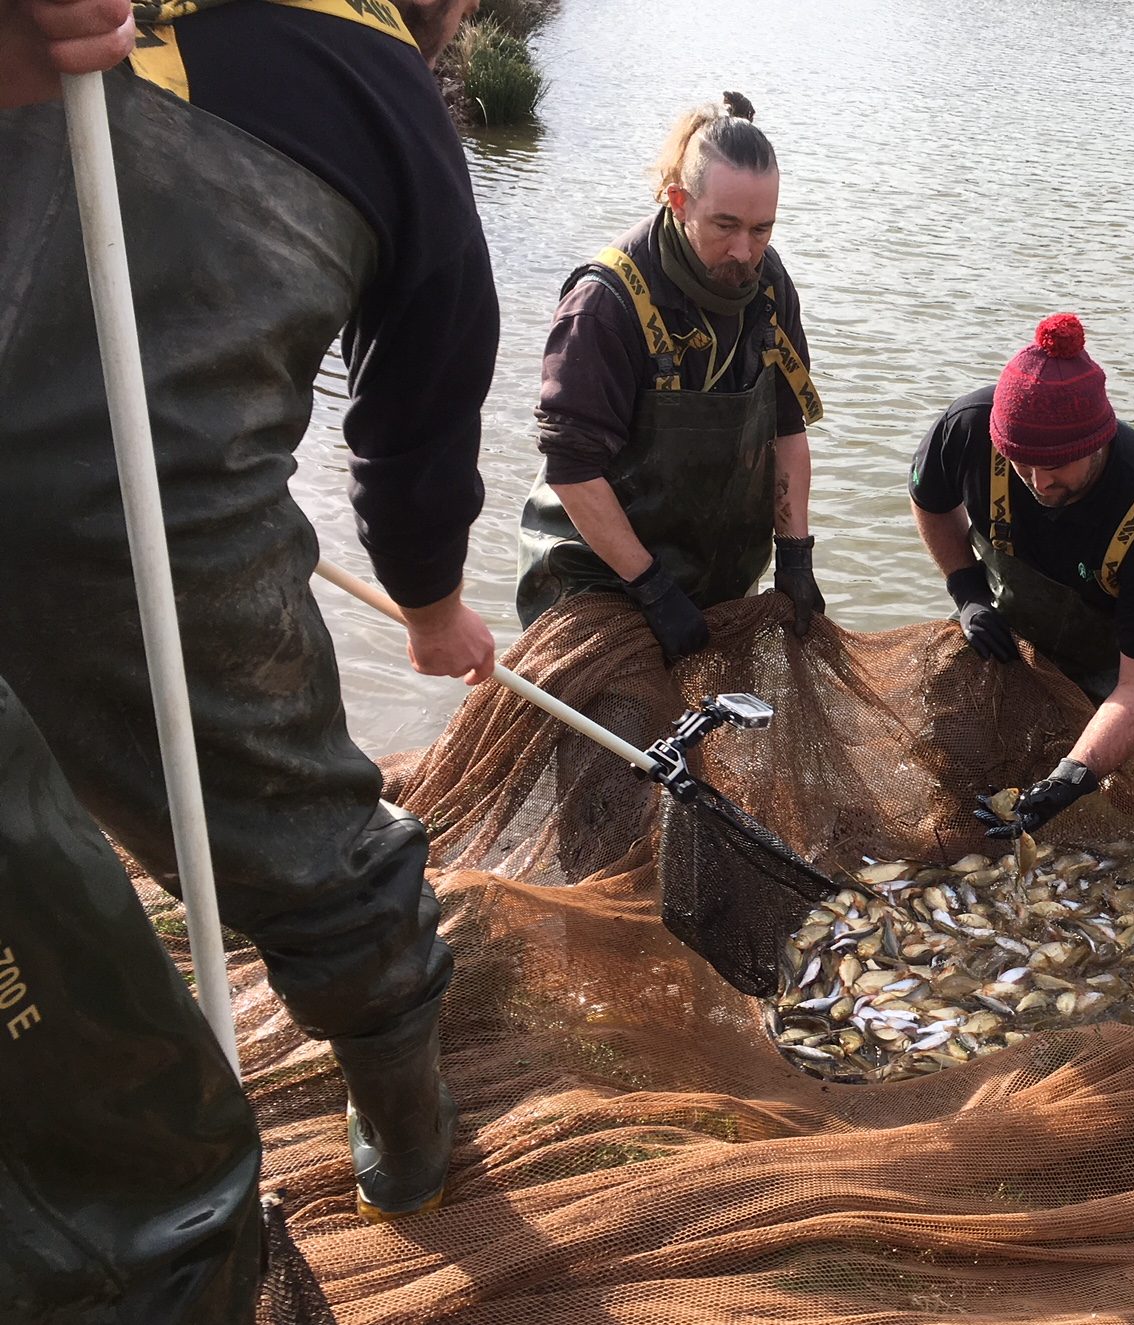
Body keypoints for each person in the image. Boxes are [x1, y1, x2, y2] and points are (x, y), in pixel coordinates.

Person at [1, 0, 496, 1313]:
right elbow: (422, 419)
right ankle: (407, 1145)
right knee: (314, 846)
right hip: (112, 521)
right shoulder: (386, 85)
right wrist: (433, 603)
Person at [517, 92, 826, 661]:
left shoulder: (770, 289)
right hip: (599, 578)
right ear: (679, 201)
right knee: (618, 738)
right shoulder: (604, 305)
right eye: (725, 225)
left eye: (762, 229)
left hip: (714, 574)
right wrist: (652, 588)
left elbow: (787, 430)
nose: (744, 250)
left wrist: (795, 556)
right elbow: (572, 469)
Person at [909, 314, 1134, 837]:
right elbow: (929, 502)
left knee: (1088, 789)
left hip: (1103, 663)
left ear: (1099, 440)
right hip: (1002, 625)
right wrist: (968, 591)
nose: (1040, 482)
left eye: (1058, 466)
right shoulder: (969, 425)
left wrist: (1072, 777)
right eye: (1022, 463)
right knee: (950, 747)